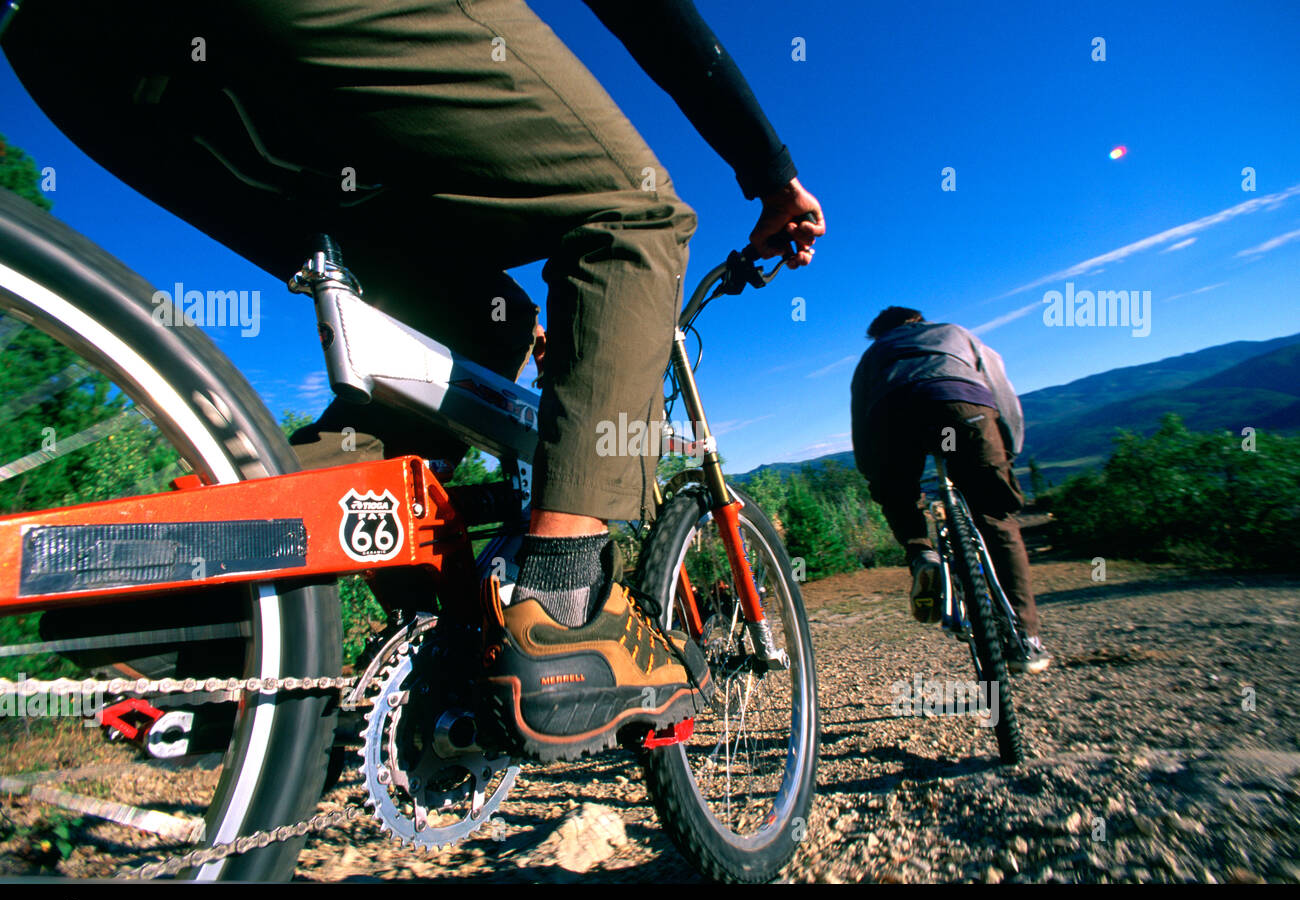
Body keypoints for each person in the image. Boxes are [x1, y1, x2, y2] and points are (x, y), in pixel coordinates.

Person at [4, 0, 824, 758]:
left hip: (79, 59)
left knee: (480, 331)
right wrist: (769, 168)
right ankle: (564, 608)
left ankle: (177, 606)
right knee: (636, 218)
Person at [850, 307, 1049, 674]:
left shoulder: (872, 356)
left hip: (892, 414)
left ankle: (921, 554)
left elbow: (861, 424)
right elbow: (1000, 390)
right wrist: (1008, 449)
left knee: (899, 496)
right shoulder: (955, 333)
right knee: (996, 515)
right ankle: (1025, 637)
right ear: (919, 321)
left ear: (880, 334)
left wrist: (881, 479)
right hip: (961, 406)